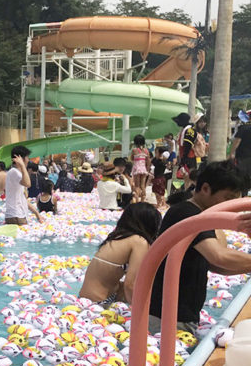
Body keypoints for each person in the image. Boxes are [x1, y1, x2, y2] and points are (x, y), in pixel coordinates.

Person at [149, 161, 251, 335]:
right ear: (205, 189)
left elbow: (216, 265)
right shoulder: (186, 214)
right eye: (228, 199)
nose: (232, 206)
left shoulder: (202, 217)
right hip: (167, 318)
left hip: (180, 314)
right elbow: (219, 256)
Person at [79, 203, 162, 306]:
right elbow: (130, 285)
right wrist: (141, 314)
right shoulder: (139, 242)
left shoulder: (117, 236)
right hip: (100, 303)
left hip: (86, 299)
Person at [5, 146, 43, 224]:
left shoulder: (17, 173)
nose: (28, 160)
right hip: (16, 216)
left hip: (18, 215)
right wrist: (22, 166)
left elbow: (22, 199)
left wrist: (37, 214)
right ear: (21, 159)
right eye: (27, 157)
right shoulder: (13, 172)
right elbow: (28, 184)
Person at [230, 112, 251, 193]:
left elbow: (237, 141)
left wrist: (231, 153)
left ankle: (242, 194)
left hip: (242, 157)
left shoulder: (243, 128)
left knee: (240, 176)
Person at [130, 135, 151, 202]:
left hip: (137, 168)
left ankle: (137, 200)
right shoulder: (146, 151)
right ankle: (142, 200)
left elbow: (132, 158)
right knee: (143, 185)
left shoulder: (134, 150)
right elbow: (148, 161)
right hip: (143, 169)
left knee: (137, 186)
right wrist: (147, 170)